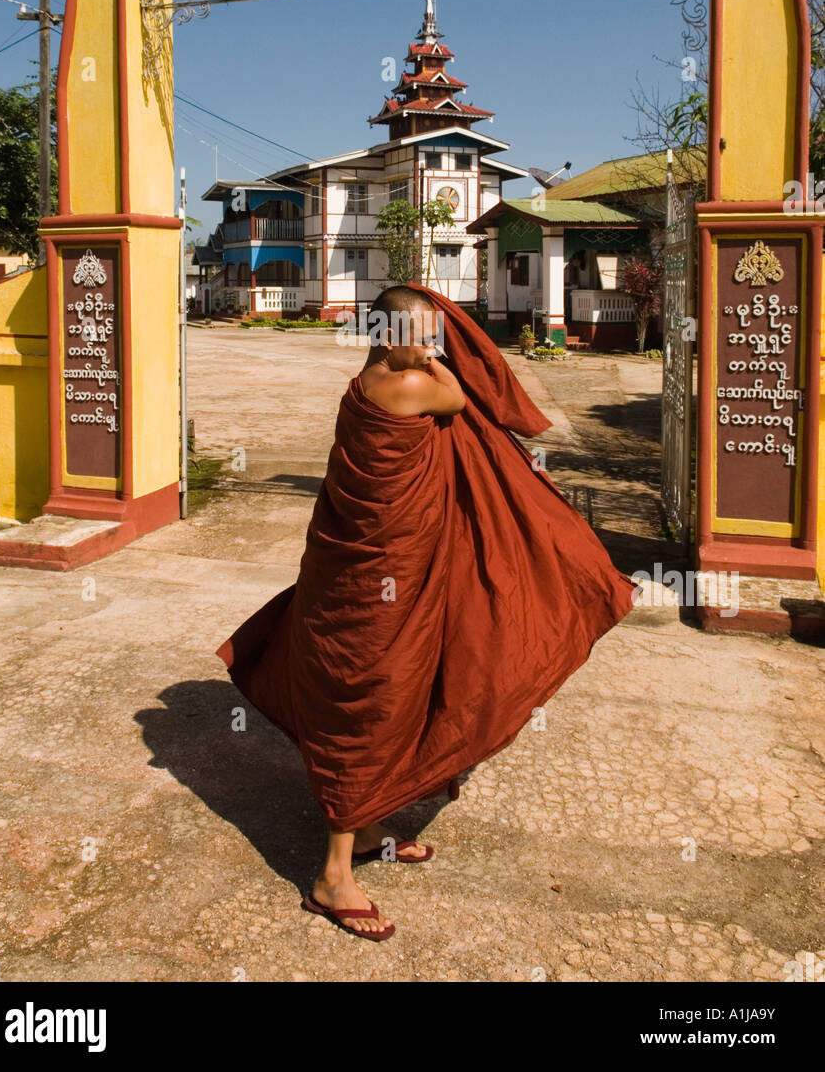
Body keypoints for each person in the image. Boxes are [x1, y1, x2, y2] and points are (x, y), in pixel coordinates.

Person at [216, 284, 639, 940]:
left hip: (368, 570)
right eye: (421, 336)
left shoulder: (367, 380)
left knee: (394, 694)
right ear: (387, 337)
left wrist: (417, 342)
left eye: (437, 336)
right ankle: (332, 876)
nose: (434, 348)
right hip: (377, 583)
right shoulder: (410, 387)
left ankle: (367, 829)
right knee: (373, 702)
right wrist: (436, 360)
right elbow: (461, 396)